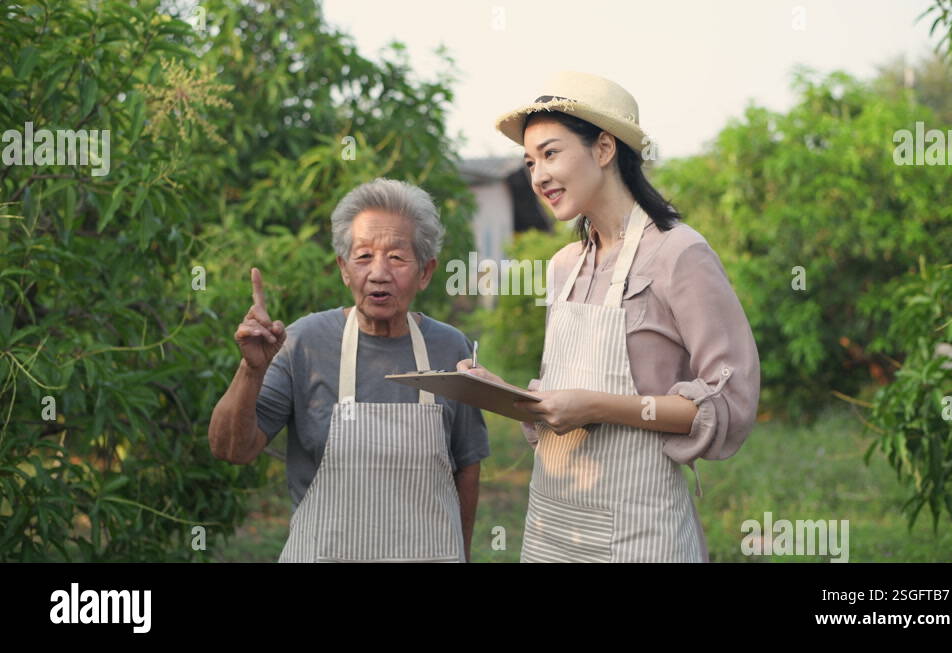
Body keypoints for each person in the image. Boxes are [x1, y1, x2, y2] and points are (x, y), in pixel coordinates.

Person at [459, 71, 761, 562]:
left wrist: (596, 407)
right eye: (530, 161)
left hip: (639, 529)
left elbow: (729, 402)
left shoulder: (679, 253)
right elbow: (564, 400)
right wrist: (506, 394)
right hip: (554, 523)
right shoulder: (564, 266)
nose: (537, 176)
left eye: (551, 153)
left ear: (603, 149)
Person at [209, 178, 490, 563]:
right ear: (343, 269)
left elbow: (467, 466)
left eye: (396, 257)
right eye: (363, 257)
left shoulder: (450, 347)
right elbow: (230, 450)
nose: (378, 273)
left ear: (425, 272)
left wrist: (464, 554)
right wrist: (250, 370)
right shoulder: (303, 342)